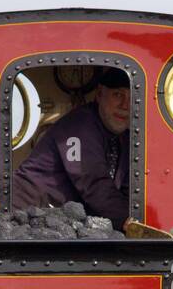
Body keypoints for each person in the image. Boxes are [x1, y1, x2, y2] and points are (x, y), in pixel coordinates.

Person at [10, 67, 131, 227]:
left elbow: (126, 187)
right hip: (28, 213)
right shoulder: (81, 125)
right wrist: (128, 221)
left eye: (132, 98)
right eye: (118, 95)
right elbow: (93, 182)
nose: (125, 105)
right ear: (100, 93)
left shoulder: (124, 138)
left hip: (62, 221)